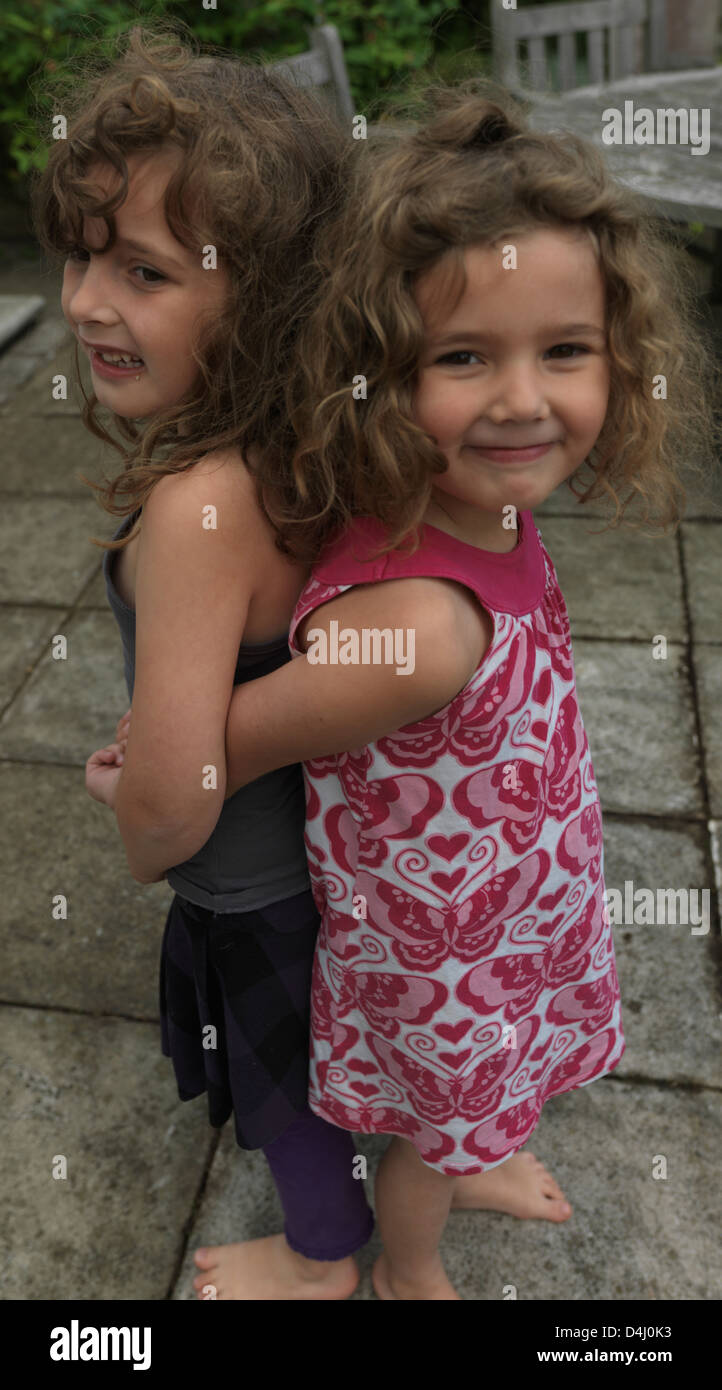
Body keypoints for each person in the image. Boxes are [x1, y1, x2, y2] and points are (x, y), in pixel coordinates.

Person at [217, 81, 720, 1299]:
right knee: (428, 1129)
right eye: (460, 357)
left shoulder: (483, 506)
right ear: (379, 375)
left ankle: (475, 1151)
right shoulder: (412, 629)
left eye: (564, 351)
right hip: (433, 951)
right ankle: (412, 1261)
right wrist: (143, 760)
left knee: (491, 1086)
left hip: (511, 892)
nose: (520, 399)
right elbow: (224, 741)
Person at [31, 22, 375, 1300]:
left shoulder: (192, 508)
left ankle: (321, 1259)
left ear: (270, 291)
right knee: (346, 1048)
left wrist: (135, 811)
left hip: (249, 882)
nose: (82, 303)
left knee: (285, 1089)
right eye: (77, 256)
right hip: (343, 855)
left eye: (143, 271)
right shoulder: (318, 443)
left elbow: (177, 797)